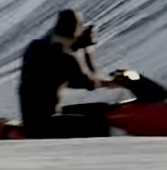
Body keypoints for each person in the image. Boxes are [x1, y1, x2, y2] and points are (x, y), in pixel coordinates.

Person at [17, 9, 119, 138]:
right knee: (99, 123)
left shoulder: (34, 47)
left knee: (100, 108)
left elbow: (67, 80)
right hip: (43, 124)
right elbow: (90, 83)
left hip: (32, 121)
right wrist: (87, 52)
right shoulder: (65, 58)